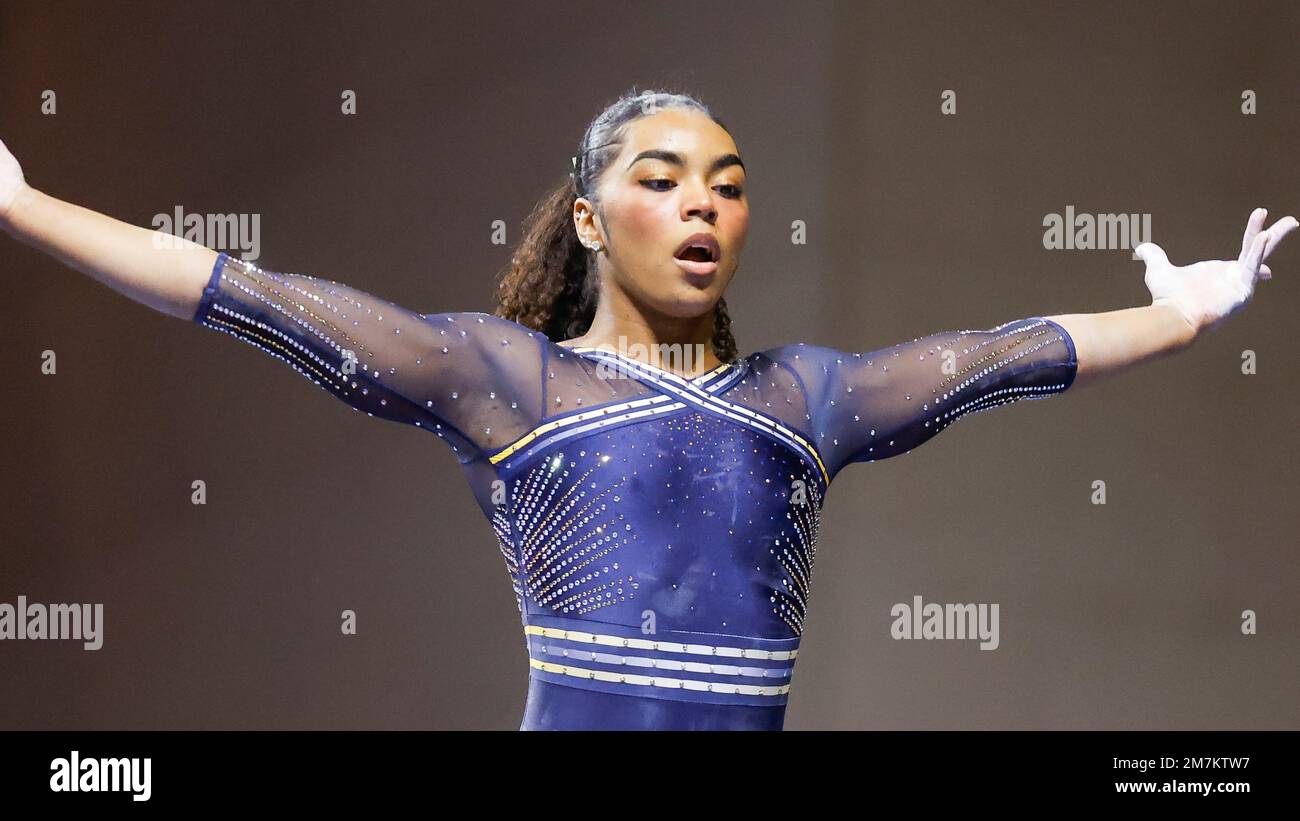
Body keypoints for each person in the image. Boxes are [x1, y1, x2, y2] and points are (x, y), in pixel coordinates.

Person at [1, 88, 1292, 731]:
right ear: (587, 217)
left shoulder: (804, 400)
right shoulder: (512, 382)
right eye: (664, 178)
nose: (701, 206)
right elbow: (252, 294)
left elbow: (1001, 353)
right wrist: (22, 203)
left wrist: (1187, 314)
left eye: (727, 186)